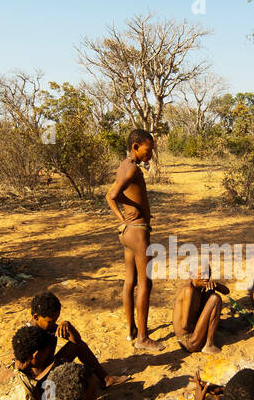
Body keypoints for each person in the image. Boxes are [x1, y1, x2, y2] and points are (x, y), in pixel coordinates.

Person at [105, 128, 162, 350]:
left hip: (129, 233)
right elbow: (111, 196)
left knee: (130, 281)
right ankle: (142, 338)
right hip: (137, 232)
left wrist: (126, 219)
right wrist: (126, 218)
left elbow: (115, 194)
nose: (151, 154)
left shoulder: (125, 166)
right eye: (148, 150)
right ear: (136, 147)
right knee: (145, 283)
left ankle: (131, 330)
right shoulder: (131, 171)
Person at [29, 291, 120, 386]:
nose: (54, 323)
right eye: (51, 321)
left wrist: (68, 326)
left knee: (78, 346)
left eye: (56, 319)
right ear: (36, 317)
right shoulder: (28, 336)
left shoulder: (47, 326)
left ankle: (106, 379)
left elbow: (77, 341)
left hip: (50, 369)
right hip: (41, 381)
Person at [172, 265, 229, 354]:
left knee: (210, 291)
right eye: (202, 274)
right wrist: (206, 325)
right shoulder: (189, 291)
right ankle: (209, 344)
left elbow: (226, 291)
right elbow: (185, 326)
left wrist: (215, 285)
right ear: (192, 274)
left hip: (194, 335)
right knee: (215, 299)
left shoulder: (199, 284)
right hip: (190, 342)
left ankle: (208, 334)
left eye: (208, 273)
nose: (206, 278)